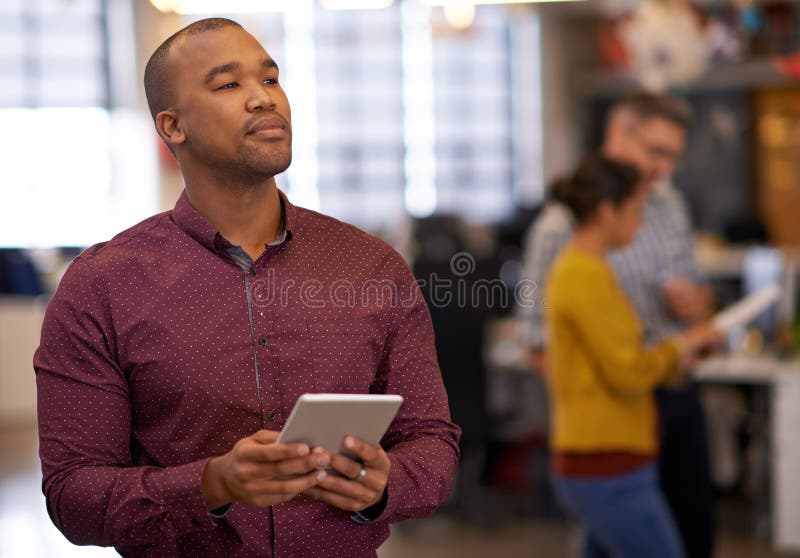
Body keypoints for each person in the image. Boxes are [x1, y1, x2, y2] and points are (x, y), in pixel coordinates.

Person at [33, 18, 460, 558]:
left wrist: (385, 485)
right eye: (228, 84)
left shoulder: (370, 267)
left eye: (271, 78)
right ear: (172, 126)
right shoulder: (102, 285)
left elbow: (432, 440)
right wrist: (211, 484)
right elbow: (73, 495)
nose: (263, 98)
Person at [519, 92, 717, 558]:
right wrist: (591, 411)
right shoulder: (564, 238)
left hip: (667, 397)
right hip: (610, 424)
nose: (663, 168)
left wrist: (696, 306)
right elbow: (537, 338)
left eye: (673, 156)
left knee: (689, 530)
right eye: (655, 151)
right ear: (617, 135)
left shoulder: (668, 205)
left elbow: (699, 292)